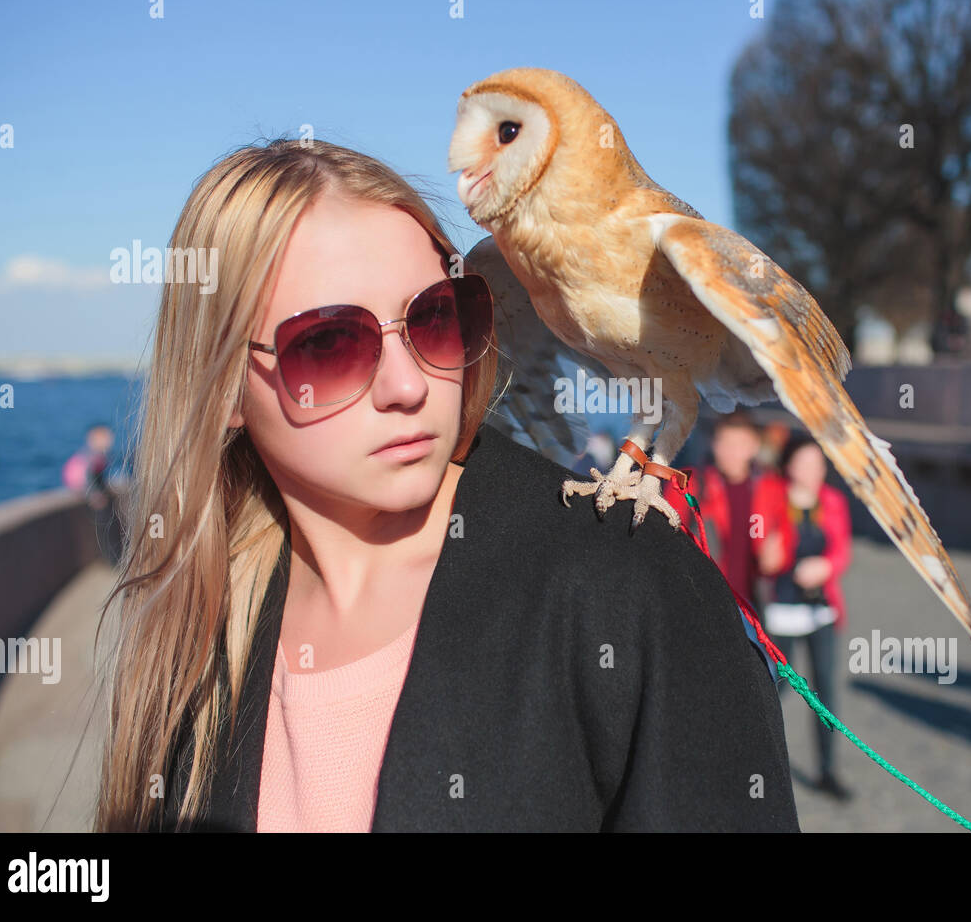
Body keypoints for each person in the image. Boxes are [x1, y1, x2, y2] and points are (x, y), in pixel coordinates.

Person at [91, 139, 797, 833]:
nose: (409, 386)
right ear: (221, 390)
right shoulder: (192, 643)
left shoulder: (634, 593)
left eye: (434, 318)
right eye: (331, 344)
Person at [751, 434, 853, 800]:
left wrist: (826, 565)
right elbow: (758, 535)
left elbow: (842, 550)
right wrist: (767, 550)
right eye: (805, 463)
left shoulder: (833, 501)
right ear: (789, 466)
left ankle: (827, 770)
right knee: (775, 686)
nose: (813, 471)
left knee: (826, 690)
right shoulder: (769, 493)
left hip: (822, 608)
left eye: (819, 464)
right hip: (781, 606)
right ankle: (752, 761)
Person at [663, 411, 768, 621]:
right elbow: (664, 538)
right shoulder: (688, 483)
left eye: (738, 445)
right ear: (714, 444)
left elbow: (778, 542)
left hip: (752, 605)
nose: (730, 452)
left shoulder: (767, 488)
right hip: (701, 600)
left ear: (754, 446)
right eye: (724, 443)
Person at [62, 422, 122, 565]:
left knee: (106, 529)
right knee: (105, 530)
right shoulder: (91, 456)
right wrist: (95, 495)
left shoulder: (94, 455)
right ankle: (112, 560)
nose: (109, 440)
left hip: (94, 497)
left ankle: (112, 559)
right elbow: (88, 478)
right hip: (94, 500)